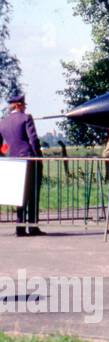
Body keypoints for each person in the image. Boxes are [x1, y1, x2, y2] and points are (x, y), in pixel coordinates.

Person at [0, 92, 43, 236]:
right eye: (24, 104)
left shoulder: (3, 122)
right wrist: (39, 157)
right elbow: (33, 140)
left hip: (13, 161)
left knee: (19, 194)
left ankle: (19, 227)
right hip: (29, 160)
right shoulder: (26, 118)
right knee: (32, 193)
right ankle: (32, 226)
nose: (25, 107)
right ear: (19, 105)